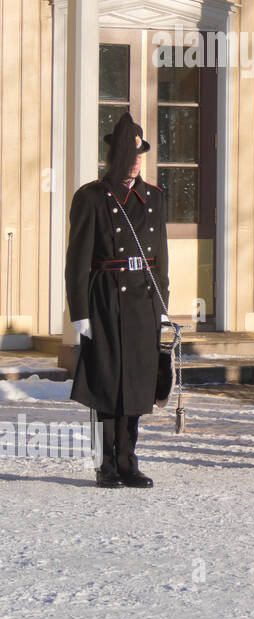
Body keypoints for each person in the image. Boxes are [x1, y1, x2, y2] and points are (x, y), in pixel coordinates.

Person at [66, 112, 169, 489]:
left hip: (142, 302)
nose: (135, 159)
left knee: (137, 386)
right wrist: (80, 313)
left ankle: (128, 461)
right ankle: (104, 464)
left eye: (140, 152)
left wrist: (162, 305)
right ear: (114, 154)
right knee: (107, 386)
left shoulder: (154, 197)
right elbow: (77, 260)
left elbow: (160, 257)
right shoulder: (91, 197)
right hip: (105, 300)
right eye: (130, 151)